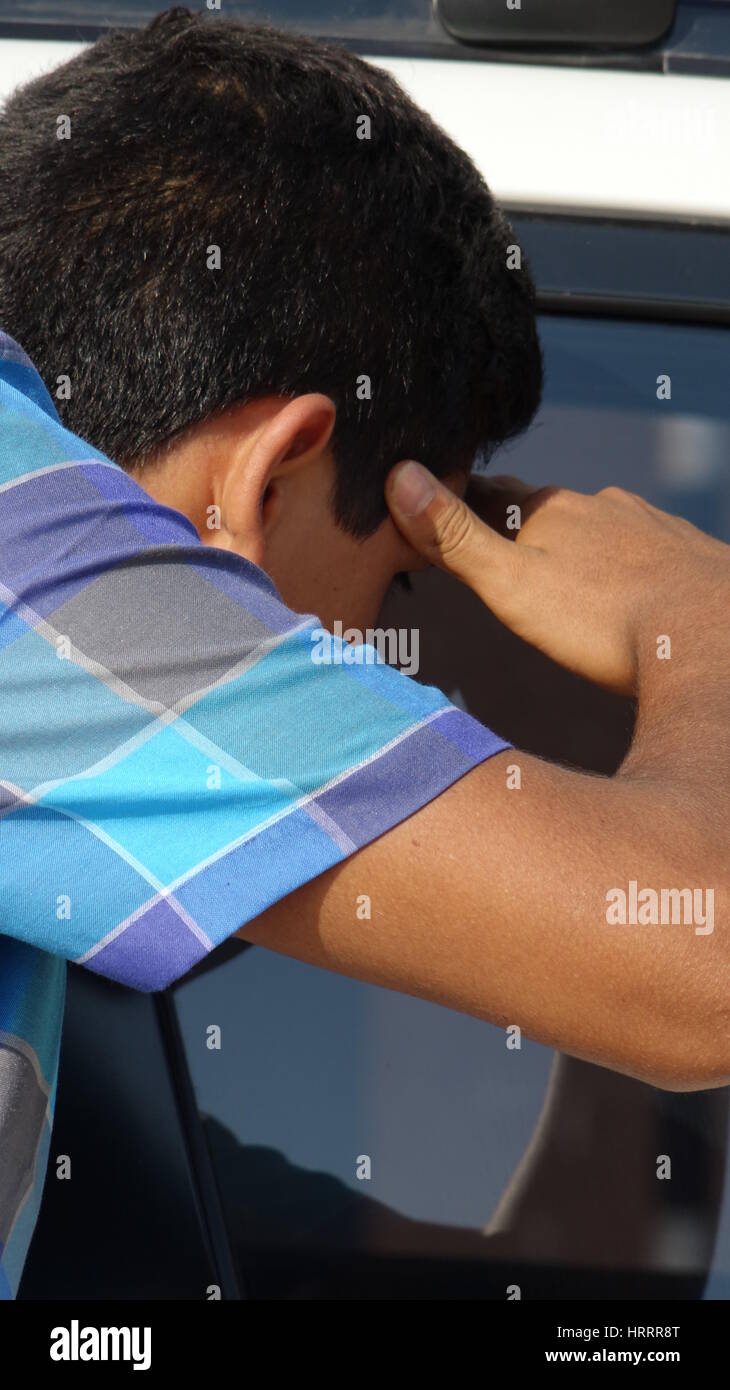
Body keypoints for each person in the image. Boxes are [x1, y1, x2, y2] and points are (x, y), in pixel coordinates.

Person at [0, 9, 727, 1299]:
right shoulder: (24, 558)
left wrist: (552, 777)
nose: (390, 666)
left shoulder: (52, 932)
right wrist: (699, 624)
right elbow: (705, 962)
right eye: (398, 581)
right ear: (266, 478)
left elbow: (565, 1292)